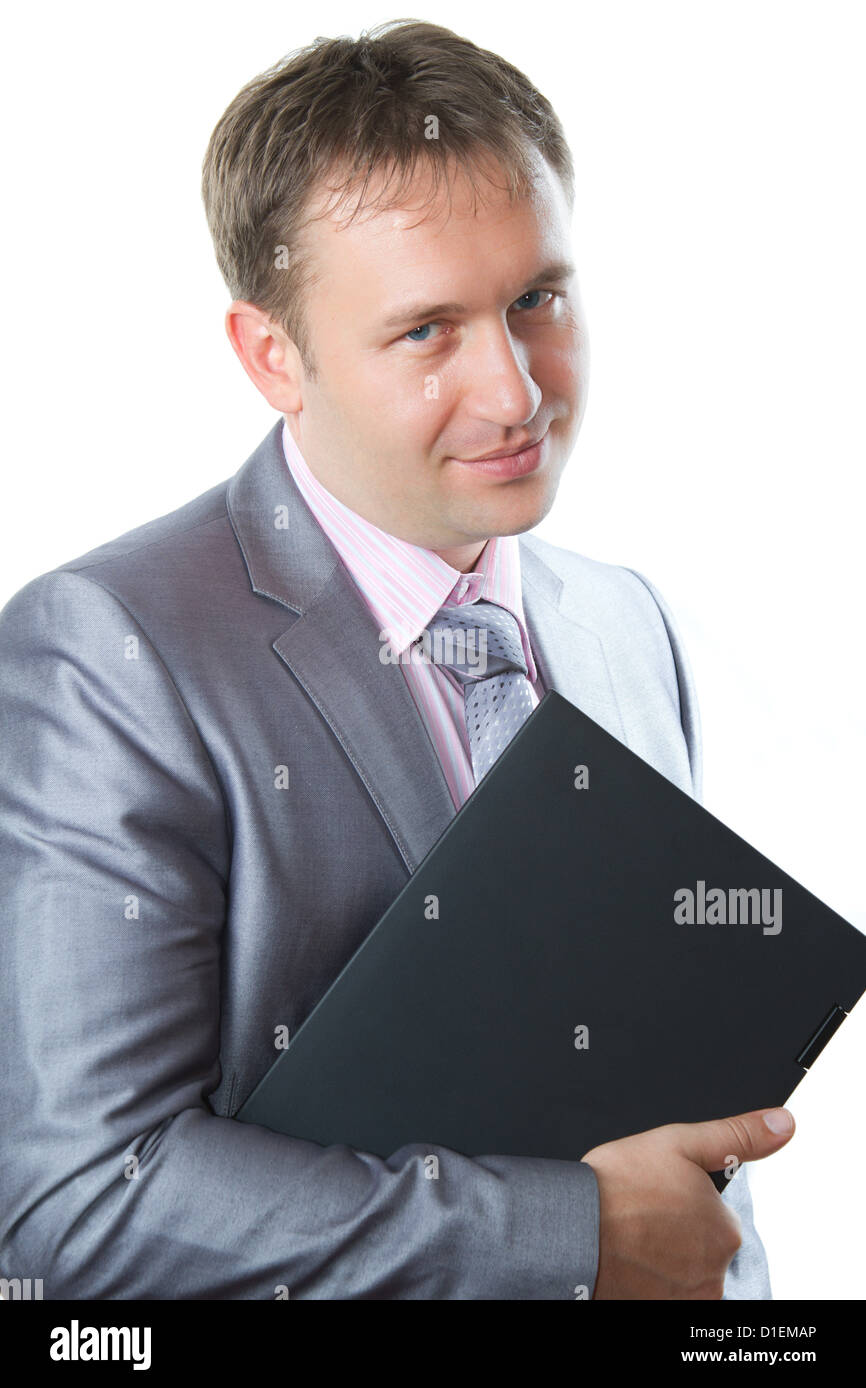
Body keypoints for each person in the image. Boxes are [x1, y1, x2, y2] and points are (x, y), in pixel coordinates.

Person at [0, 19, 793, 1300]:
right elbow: (83, 1202)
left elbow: (684, 1156)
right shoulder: (111, 650)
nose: (514, 392)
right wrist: (570, 1233)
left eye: (536, 299)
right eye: (426, 331)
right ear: (272, 355)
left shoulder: (623, 625)